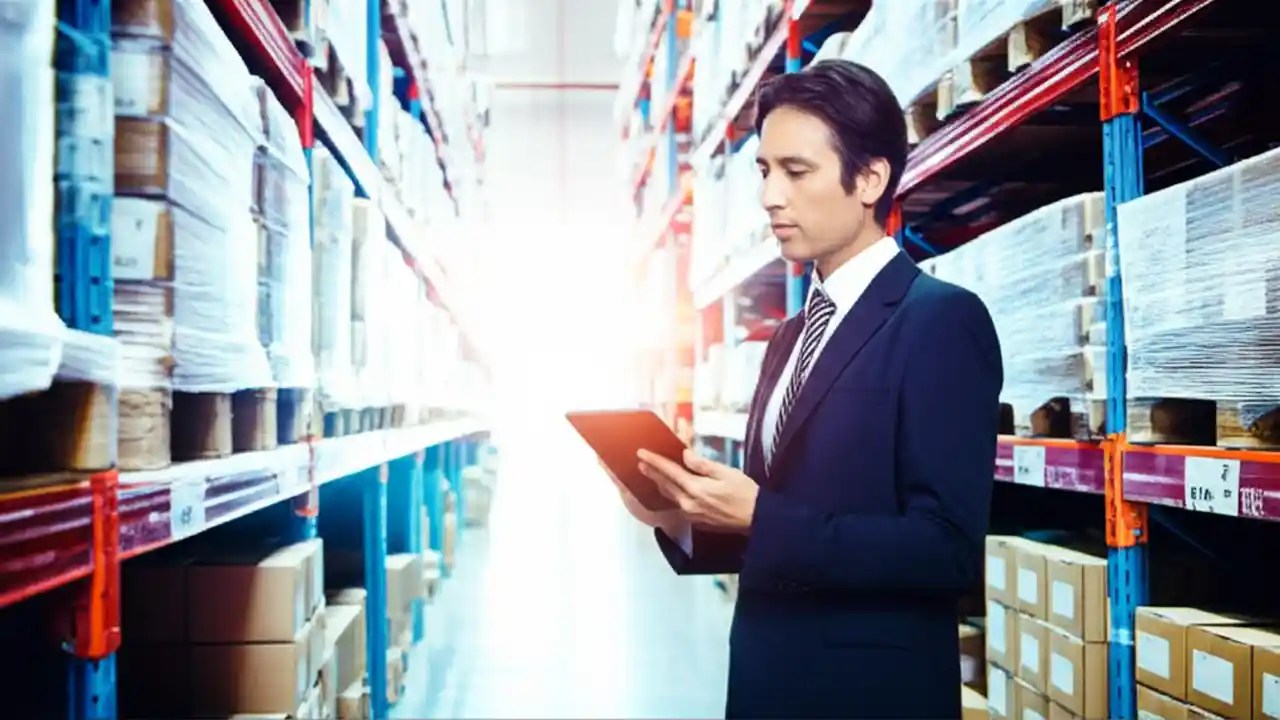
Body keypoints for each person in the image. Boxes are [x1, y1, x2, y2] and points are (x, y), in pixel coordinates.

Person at [611, 59, 1004, 718]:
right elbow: (764, 534)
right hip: (769, 684)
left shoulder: (940, 321)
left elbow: (945, 552)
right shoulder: (788, 340)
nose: (770, 196)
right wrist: (673, 512)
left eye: (797, 172)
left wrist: (762, 516)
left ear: (871, 179)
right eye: (765, 171)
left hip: (868, 698)